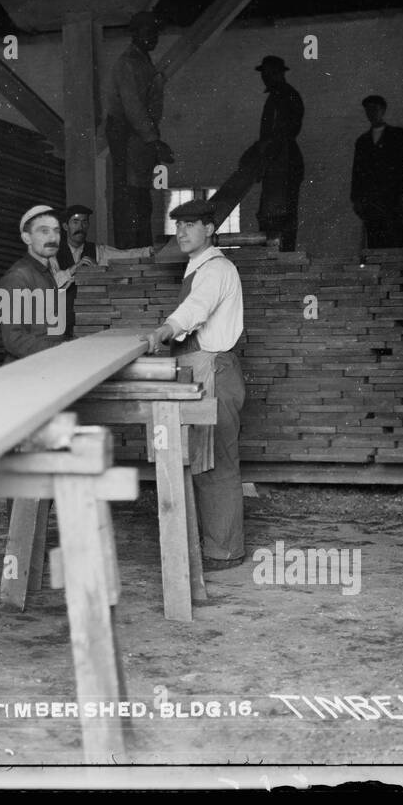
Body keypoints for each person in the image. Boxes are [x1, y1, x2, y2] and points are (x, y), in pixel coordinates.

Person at [140, 198, 247, 573]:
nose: (181, 232)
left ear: (210, 229)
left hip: (214, 371)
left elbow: (195, 310)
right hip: (203, 369)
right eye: (178, 225)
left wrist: (165, 330)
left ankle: (225, 552)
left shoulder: (216, 268)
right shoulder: (196, 267)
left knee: (215, 462)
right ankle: (216, 546)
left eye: (190, 224)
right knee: (204, 461)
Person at [104, 12, 176, 249]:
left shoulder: (143, 62)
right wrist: (155, 142)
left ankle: (140, 253)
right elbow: (133, 105)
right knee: (130, 199)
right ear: (135, 33)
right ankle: (130, 256)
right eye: (148, 31)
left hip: (139, 140)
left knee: (140, 199)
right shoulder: (129, 63)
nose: (153, 36)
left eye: (155, 31)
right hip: (127, 135)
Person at [53, 203, 153, 337]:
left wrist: (150, 251)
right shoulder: (53, 253)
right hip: (59, 321)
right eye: (75, 222)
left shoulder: (97, 251)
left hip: (87, 322)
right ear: (65, 226)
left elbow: (125, 255)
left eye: (84, 222)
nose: (80, 227)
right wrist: (73, 269)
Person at [0, 205, 70, 361]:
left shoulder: (46, 273)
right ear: (26, 238)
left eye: (56, 231)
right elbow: (14, 340)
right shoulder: (18, 278)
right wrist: (64, 350)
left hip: (49, 366)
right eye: (44, 231)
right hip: (26, 373)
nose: (53, 238)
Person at [249, 55, 305, 252]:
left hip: (284, 162)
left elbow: (283, 133)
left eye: (269, 73)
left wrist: (264, 155)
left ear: (279, 73)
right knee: (271, 215)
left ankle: (282, 259)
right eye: (263, 73)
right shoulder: (275, 97)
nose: (265, 77)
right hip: (276, 162)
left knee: (280, 216)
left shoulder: (286, 96)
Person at [350, 94, 403, 249]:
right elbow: (357, 172)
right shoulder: (362, 141)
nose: (371, 113)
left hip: (394, 198)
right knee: (374, 243)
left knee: (395, 241)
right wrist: (357, 199)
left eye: (375, 109)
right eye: (368, 110)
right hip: (372, 201)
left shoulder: (399, 135)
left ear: (383, 110)